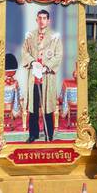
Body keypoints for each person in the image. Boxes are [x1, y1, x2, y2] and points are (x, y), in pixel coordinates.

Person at [22, 8, 62, 142]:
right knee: (33, 108)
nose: (42, 21)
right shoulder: (30, 36)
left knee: (48, 106)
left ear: (48, 20)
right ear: (36, 19)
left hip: (47, 77)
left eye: (44, 18)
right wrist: (33, 62)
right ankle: (33, 134)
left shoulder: (55, 37)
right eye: (39, 18)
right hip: (34, 76)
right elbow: (24, 52)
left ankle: (48, 134)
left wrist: (46, 66)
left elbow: (58, 55)